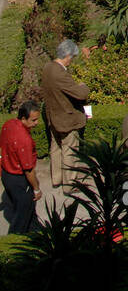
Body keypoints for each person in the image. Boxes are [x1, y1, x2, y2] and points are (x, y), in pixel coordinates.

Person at [41, 39, 89, 192]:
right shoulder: (60, 74)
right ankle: (70, 185)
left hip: (52, 117)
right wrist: (83, 86)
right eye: (71, 58)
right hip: (66, 119)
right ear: (67, 55)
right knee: (70, 151)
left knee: (55, 148)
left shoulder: (47, 68)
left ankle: (57, 179)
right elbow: (80, 94)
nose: (71, 61)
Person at [0, 100, 42, 234]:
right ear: (24, 118)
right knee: (21, 220)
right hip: (19, 180)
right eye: (34, 120)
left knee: (29, 213)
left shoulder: (8, 125)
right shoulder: (24, 140)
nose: (37, 123)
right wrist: (36, 189)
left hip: (6, 176)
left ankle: (41, 235)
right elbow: (28, 170)